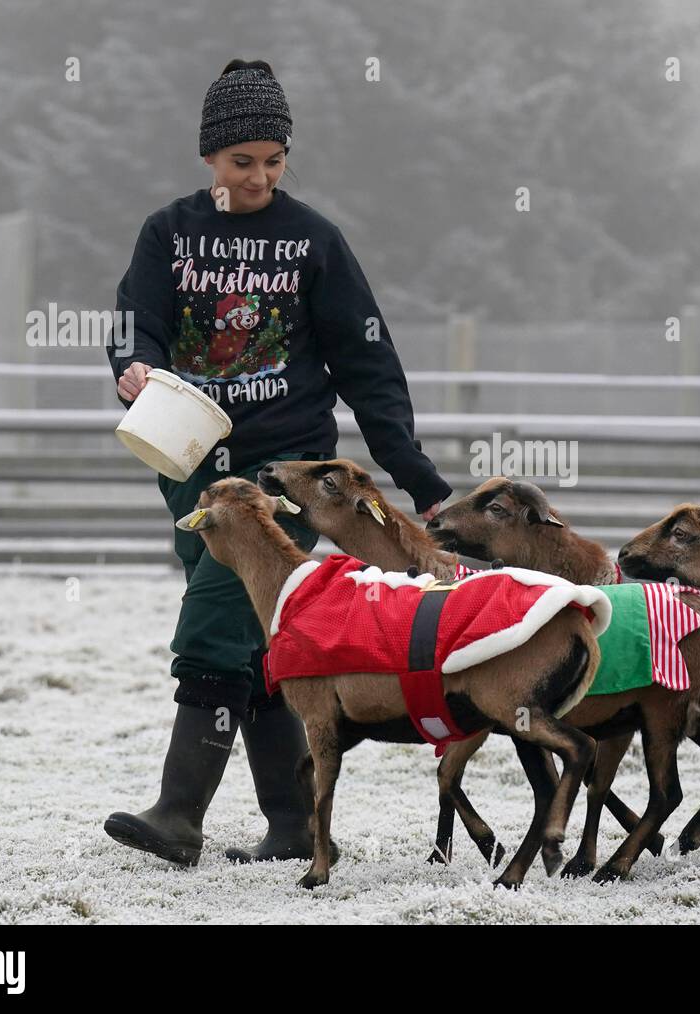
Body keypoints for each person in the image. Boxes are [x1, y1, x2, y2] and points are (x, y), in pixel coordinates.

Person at [103, 58, 452, 866]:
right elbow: (135, 326)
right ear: (209, 159)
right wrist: (132, 369)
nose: (259, 176)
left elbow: (368, 364)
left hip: (284, 473)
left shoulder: (314, 240)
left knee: (217, 622)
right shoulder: (169, 232)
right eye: (241, 162)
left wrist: (416, 475)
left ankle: (179, 814)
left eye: (273, 159)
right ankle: (295, 825)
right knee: (263, 641)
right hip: (190, 458)